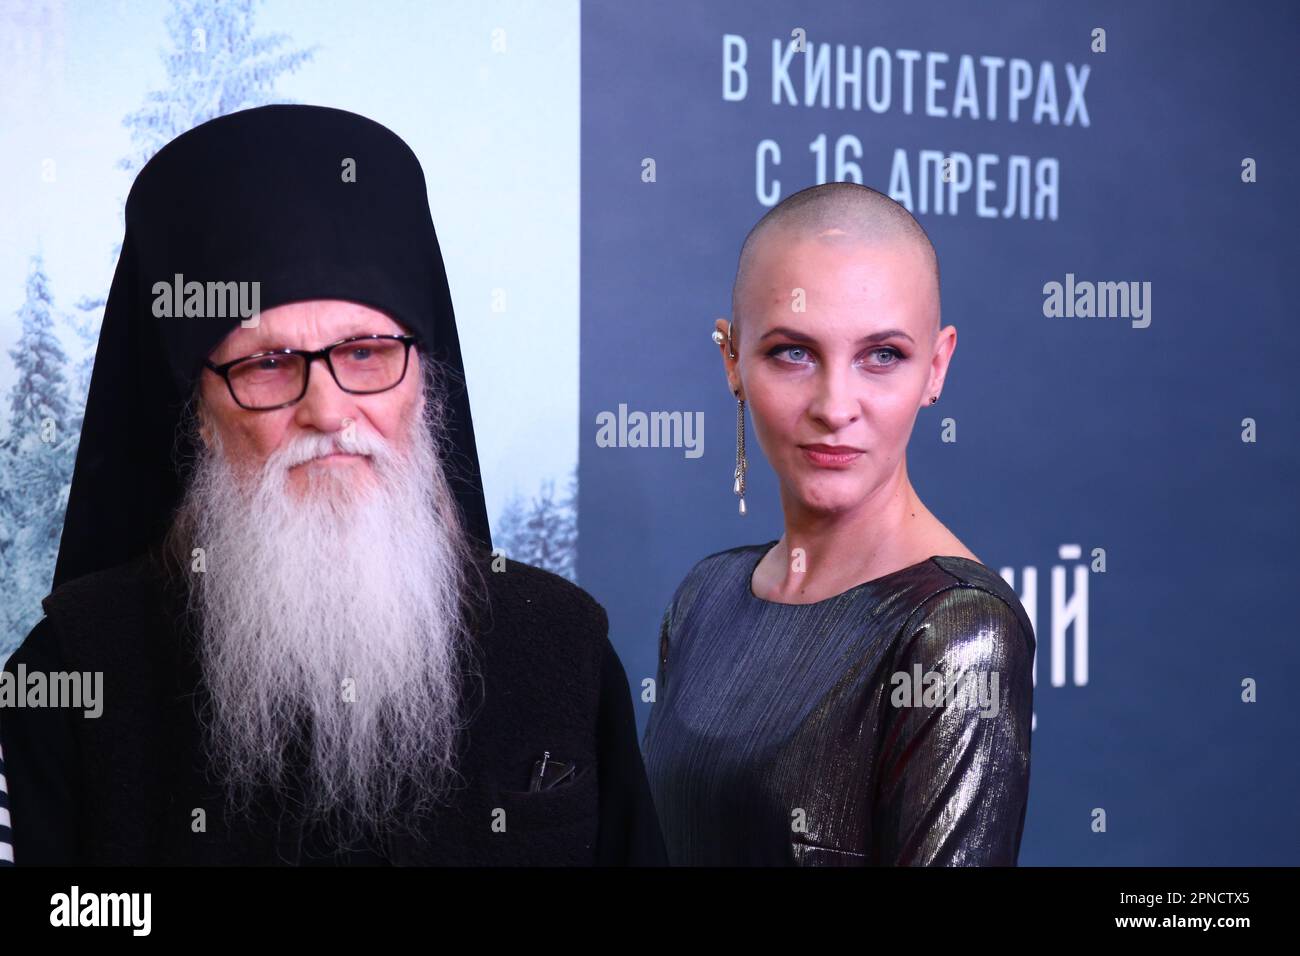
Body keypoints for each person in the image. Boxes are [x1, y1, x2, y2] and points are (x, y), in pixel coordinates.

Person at [0, 104, 666, 866]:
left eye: (366, 354)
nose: (327, 410)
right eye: (267, 364)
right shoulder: (71, 671)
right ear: (199, 418)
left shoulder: (562, 651)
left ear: (424, 382)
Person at [641, 182, 1034, 866]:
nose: (835, 405)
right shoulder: (704, 598)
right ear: (732, 359)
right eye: (793, 352)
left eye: (882, 355)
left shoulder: (957, 630)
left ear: (936, 367)